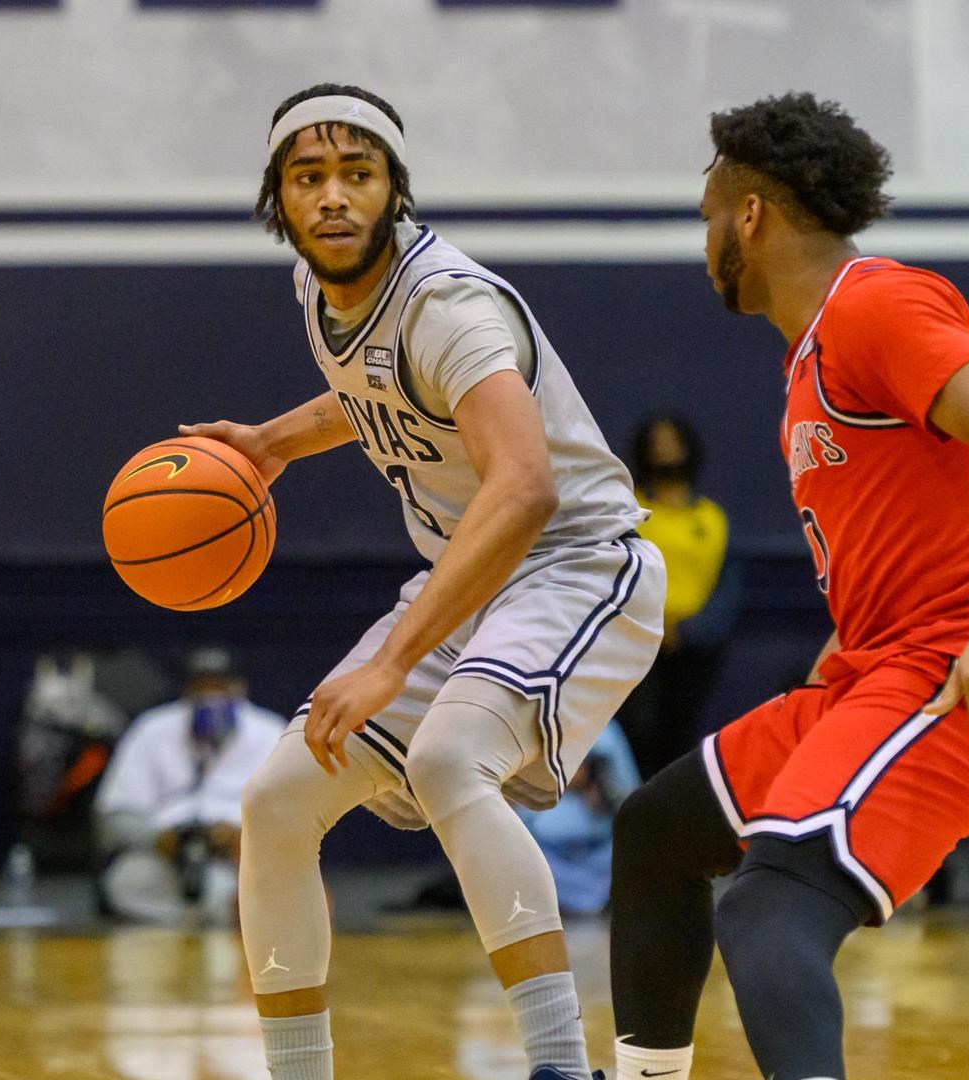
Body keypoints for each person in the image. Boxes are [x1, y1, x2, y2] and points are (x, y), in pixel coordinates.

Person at [178, 84, 664, 1080]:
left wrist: (393, 663)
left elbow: (524, 488)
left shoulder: (449, 304)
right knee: (275, 800)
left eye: (358, 175)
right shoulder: (323, 290)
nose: (334, 198)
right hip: (470, 577)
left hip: (578, 566)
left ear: (395, 190)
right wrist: (273, 442)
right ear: (279, 200)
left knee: (448, 762)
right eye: (308, 178)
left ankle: (561, 1065)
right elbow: (376, 390)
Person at [605, 92, 969, 1080]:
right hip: (875, 672)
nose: (704, 245)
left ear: (751, 217)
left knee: (770, 907)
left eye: (706, 219)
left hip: (962, 679)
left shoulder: (875, 301)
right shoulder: (812, 355)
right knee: (658, 833)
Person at [94, 646, 284, 926]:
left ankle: (219, 920)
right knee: (126, 882)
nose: (211, 697)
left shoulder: (269, 731)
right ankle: (197, 925)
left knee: (243, 889)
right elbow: (114, 815)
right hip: (165, 860)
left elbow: (295, 816)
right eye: (202, 687)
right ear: (186, 691)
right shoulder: (152, 728)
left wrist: (245, 835)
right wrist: (159, 838)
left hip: (236, 860)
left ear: (241, 689)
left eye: (221, 687)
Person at [622, 414, 738, 779]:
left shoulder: (712, 518)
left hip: (694, 653)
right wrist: (650, 626)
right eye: (657, 442)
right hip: (636, 647)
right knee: (640, 738)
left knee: (684, 741)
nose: (665, 450)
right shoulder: (629, 510)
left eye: (673, 441)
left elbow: (726, 590)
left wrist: (687, 632)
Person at [518, 722, 643, 917]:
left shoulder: (605, 732)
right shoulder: (531, 725)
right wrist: (560, 780)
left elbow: (631, 804)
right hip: (542, 861)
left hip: (600, 860)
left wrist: (600, 788)